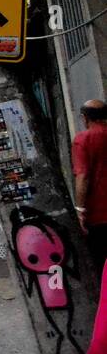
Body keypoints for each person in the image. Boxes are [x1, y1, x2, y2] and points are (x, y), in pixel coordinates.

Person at [72, 99, 107, 276]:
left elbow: (83, 176)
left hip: (98, 217)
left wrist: (79, 210)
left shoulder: (83, 140)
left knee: (101, 266)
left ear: (84, 118)